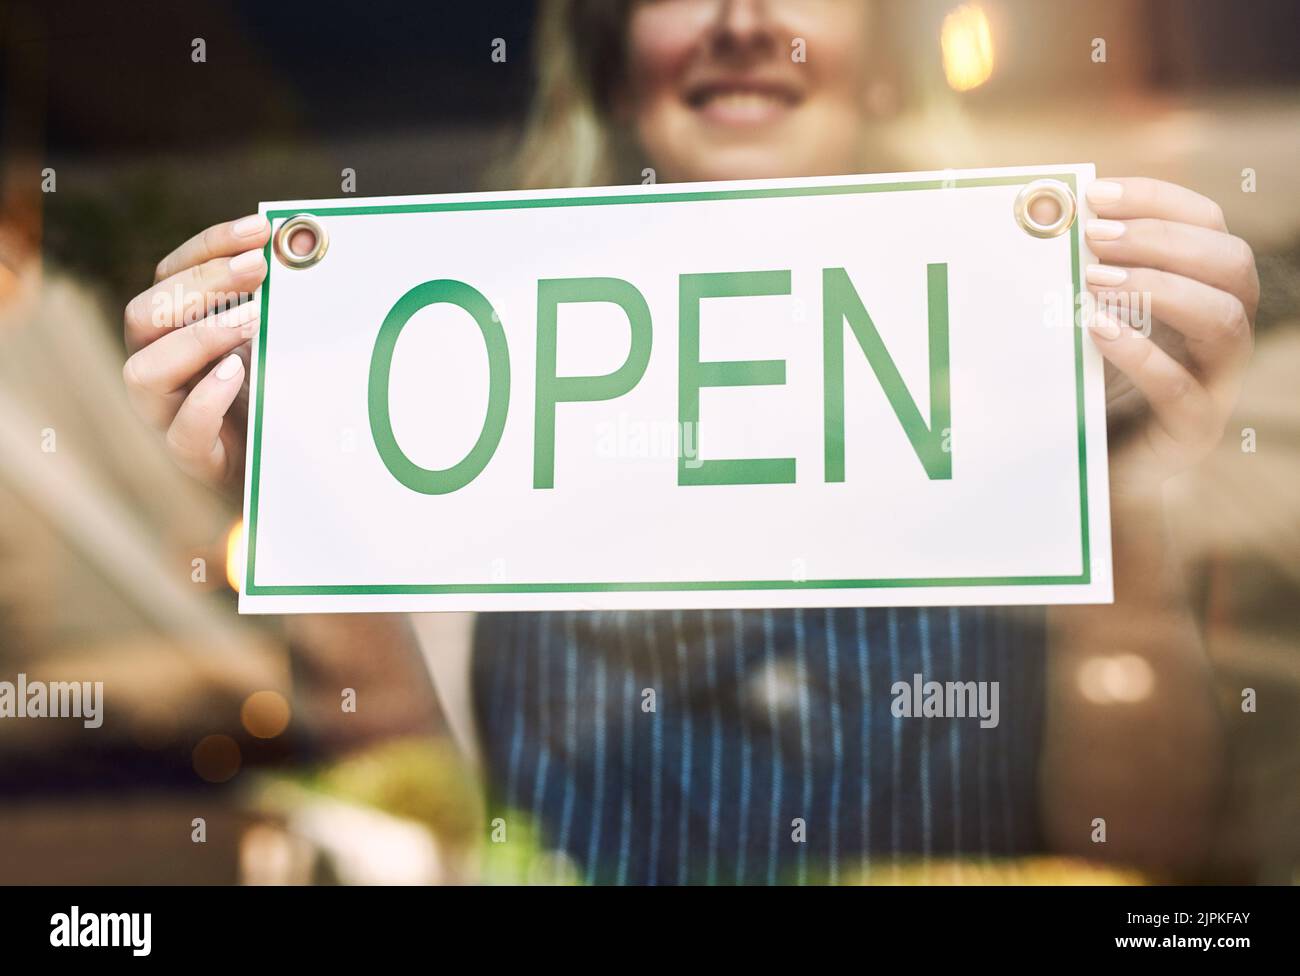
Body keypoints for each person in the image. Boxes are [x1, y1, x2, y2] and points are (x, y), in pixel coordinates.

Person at [121, 0, 1257, 884]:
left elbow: (1139, 853)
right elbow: (432, 831)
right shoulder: (468, 374)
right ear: (613, 62)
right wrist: (293, 496)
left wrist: (1123, 493)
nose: (742, 19)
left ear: (880, 56)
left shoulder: (1025, 364)